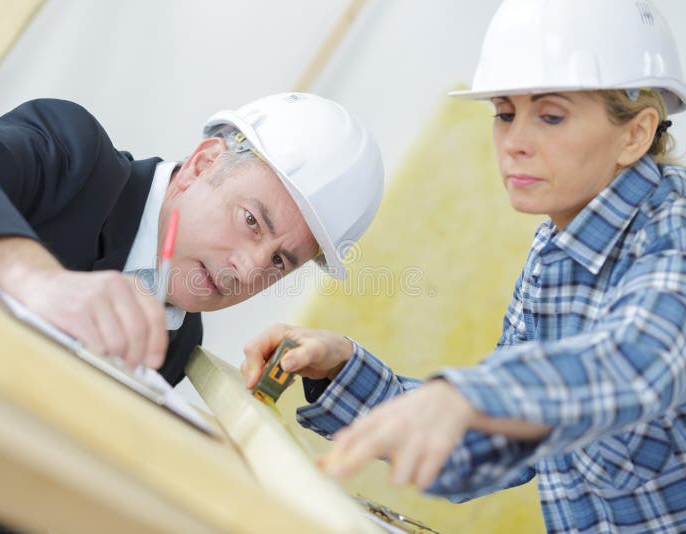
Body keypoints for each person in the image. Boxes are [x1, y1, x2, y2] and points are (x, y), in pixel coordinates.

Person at [243, 1, 686, 532]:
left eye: (550, 116)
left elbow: (640, 362)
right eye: (504, 113)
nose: (515, 143)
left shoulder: (674, 230)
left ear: (635, 134)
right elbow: (493, 445)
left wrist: (463, 396)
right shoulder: (553, 255)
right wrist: (342, 371)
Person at [0, 92, 384, 531]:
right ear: (203, 164)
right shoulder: (75, 158)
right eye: (251, 221)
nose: (247, 268)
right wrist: (34, 277)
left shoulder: (180, 341)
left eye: (279, 260)